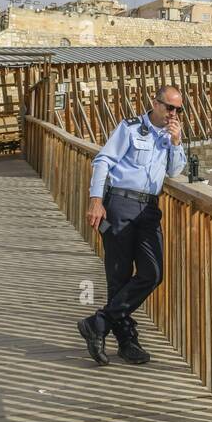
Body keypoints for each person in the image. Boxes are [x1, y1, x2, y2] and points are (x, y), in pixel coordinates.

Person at [76, 85, 186, 365]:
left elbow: (175, 171)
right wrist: (96, 200)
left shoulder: (169, 135)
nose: (172, 113)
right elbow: (102, 161)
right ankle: (127, 341)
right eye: (168, 107)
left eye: (178, 109)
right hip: (120, 203)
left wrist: (176, 142)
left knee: (153, 272)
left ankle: (99, 323)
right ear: (155, 103)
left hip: (149, 208)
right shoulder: (130, 128)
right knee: (119, 275)